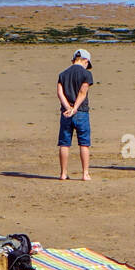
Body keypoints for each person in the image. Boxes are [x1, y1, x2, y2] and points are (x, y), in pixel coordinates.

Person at [57, 49, 94, 181]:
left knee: (64, 143)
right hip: (81, 112)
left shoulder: (62, 74)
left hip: (65, 113)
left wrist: (68, 107)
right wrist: (75, 108)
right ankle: (85, 174)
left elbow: (60, 93)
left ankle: (63, 173)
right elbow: (82, 93)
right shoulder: (86, 74)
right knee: (84, 143)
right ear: (85, 60)